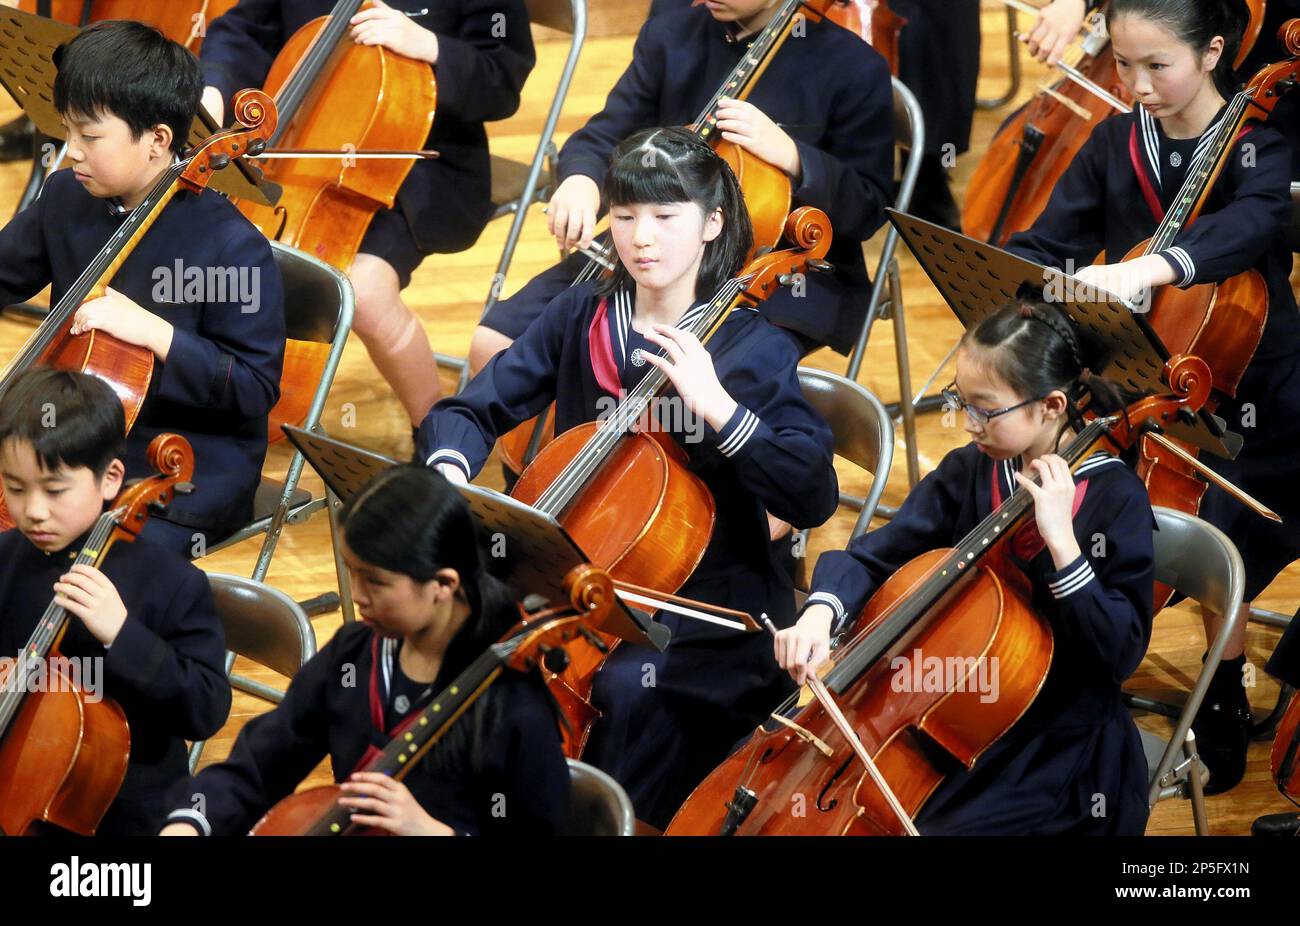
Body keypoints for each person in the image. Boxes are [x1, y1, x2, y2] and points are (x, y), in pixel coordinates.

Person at [419, 127, 839, 828]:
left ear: (712, 224)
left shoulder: (753, 347)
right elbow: (470, 408)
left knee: (622, 687)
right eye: (624, 217)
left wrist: (722, 411)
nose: (641, 238)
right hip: (581, 574)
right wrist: (449, 469)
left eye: (666, 217)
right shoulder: (583, 313)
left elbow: (812, 491)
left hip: (710, 614)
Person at [1004, 0, 1298, 793]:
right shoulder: (1116, 140)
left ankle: (1224, 690)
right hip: (1141, 395)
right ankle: (1056, 670)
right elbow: (1045, 241)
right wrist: (1023, 280)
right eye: (1123, 65)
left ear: (1212, 52)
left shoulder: (1258, 144)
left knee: (1221, 521)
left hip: (1259, 403)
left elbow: (1259, 222)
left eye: (1155, 66)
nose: (1134, 84)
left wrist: (1150, 268)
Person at [776, 300, 1155, 835]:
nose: (966, 421)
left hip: (1048, 740)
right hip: (941, 703)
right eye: (960, 400)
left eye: (984, 408)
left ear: (1050, 406)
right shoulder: (974, 469)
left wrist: (1065, 547)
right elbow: (876, 554)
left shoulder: (1116, 500)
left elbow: (1118, 652)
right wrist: (820, 611)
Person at [468, 0, 893, 371]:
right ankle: (552, 464)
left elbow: (868, 207)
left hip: (777, 274)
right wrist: (581, 180)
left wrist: (795, 157)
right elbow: (607, 132)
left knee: (654, 370)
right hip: (651, 246)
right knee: (496, 342)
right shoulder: (670, 36)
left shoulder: (853, 67)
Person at [160, 464, 570, 836]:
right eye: (352, 573)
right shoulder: (355, 655)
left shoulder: (514, 704)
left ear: (443, 585)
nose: (357, 596)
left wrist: (430, 832)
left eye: (374, 581)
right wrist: (193, 821)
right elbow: (261, 764)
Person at [0, 20, 285, 556]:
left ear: (157, 139)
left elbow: (253, 387)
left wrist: (159, 335)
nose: (72, 151)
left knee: (62, 557)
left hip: (176, 466)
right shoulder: (68, 198)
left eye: (90, 135)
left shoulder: (231, 246)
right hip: (71, 442)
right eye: (68, 132)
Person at [200, 0, 535, 439]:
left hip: (421, 160)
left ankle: (440, 432)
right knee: (219, 247)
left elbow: (501, 80)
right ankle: (223, 398)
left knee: (366, 292)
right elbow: (244, 29)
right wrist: (214, 88)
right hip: (308, 145)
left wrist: (430, 46)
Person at [0, 367, 230, 835]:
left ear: (111, 480)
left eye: (55, 490)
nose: (33, 510)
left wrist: (124, 636)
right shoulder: (5, 557)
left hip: (124, 811)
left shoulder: (171, 582)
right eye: (16, 488)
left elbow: (205, 708)